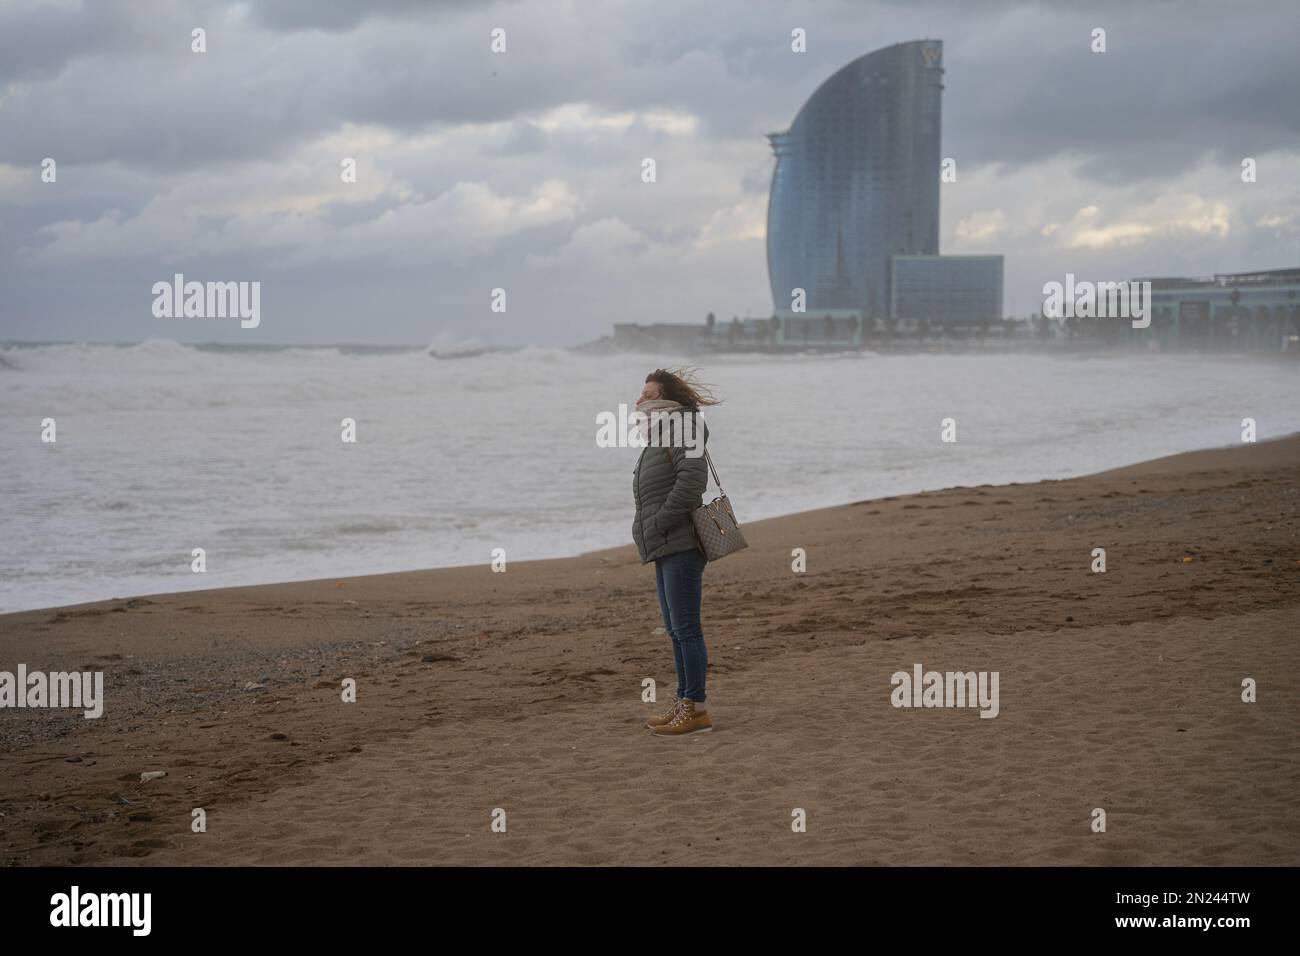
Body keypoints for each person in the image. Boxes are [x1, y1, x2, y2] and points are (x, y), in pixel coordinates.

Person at [631, 367, 721, 736]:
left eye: (649, 394)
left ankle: (696, 709)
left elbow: (692, 481)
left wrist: (660, 523)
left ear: (668, 397)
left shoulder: (686, 426)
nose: (640, 400)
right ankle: (685, 701)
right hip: (665, 541)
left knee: (686, 629)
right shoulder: (663, 430)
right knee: (675, 629)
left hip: (680, 541)